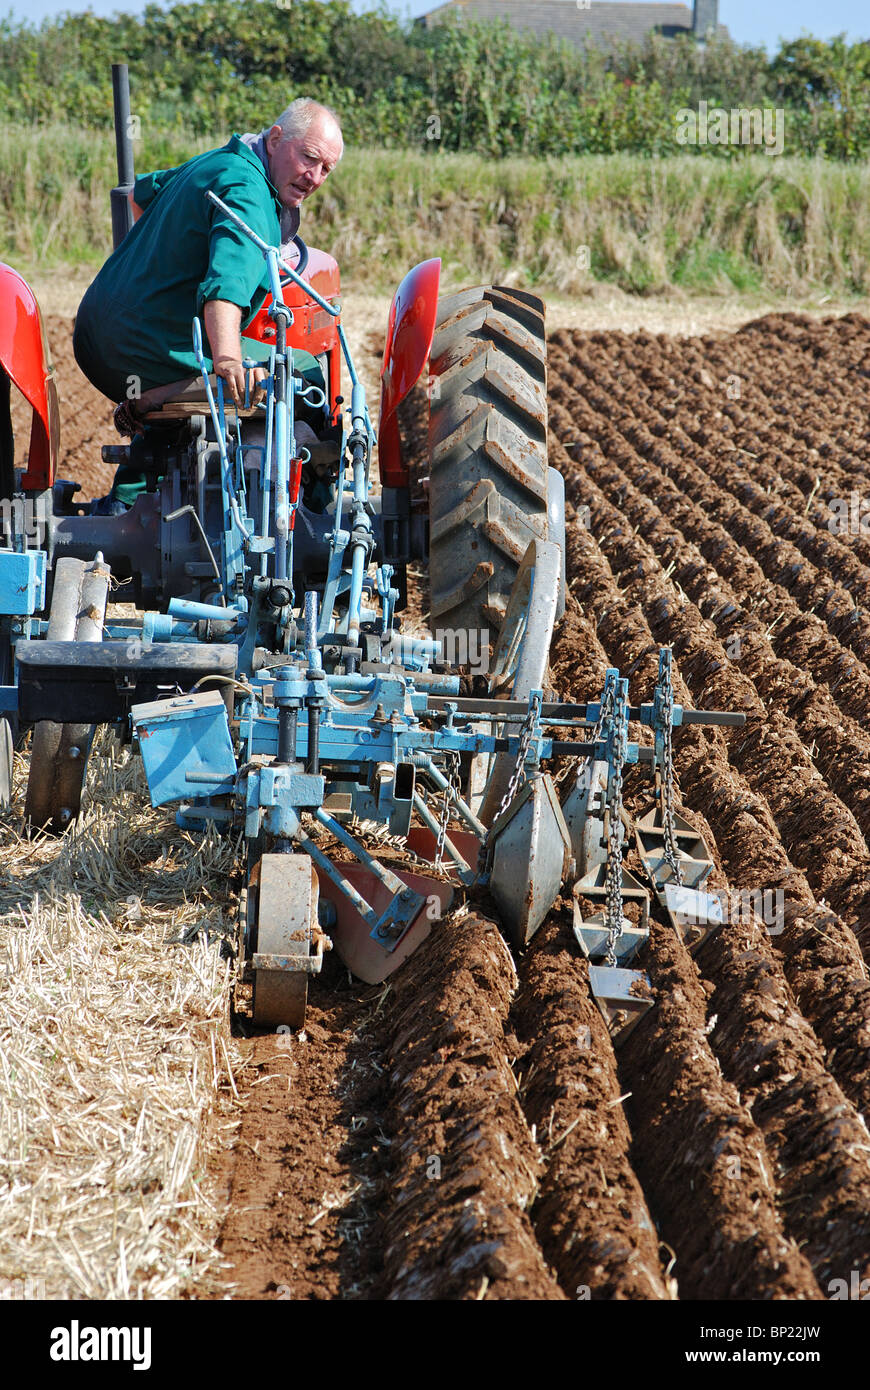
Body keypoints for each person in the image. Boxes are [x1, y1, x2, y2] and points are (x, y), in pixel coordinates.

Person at [73, 99, 343, 509]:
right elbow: (226, 289)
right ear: (275, 139)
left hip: (95, 335)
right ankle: (315, 511)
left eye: (326, 169)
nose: (315, 177)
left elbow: (141, 195)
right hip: (147, 348)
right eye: (309, 157)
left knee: (204, 371)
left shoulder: (217, 162)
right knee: (299, 371)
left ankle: (127, 500)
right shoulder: (250, 194)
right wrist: (228, 364)